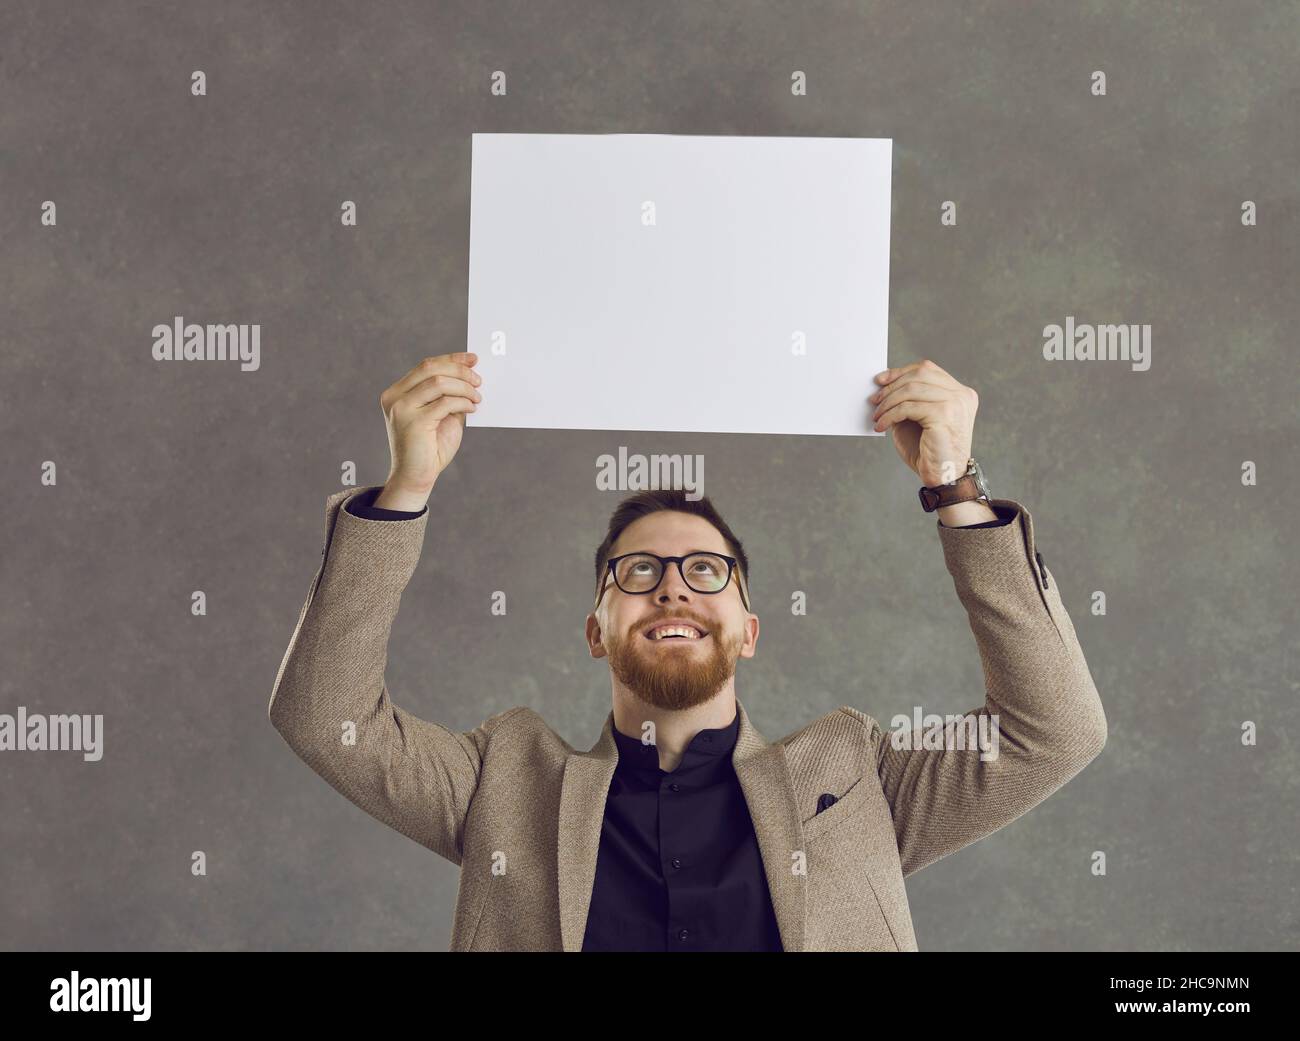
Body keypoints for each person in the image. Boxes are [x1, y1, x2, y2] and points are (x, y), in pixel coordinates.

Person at [268, 351, 1106, 951]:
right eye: (638, 571)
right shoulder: (505, 783)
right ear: (596, 630)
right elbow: (323, 716)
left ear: (749, 628)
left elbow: (1054, 731)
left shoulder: (860, 779)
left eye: (706, 570)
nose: (673, 589)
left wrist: (955, 487)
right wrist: (406, 488)